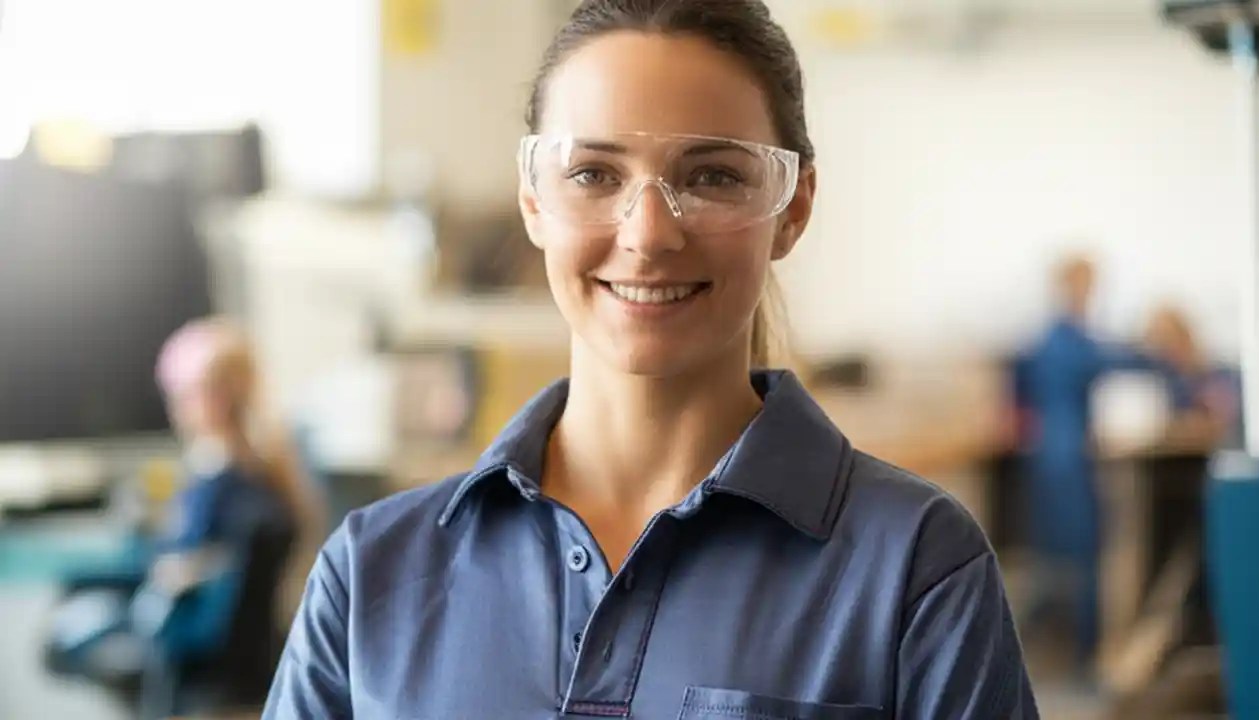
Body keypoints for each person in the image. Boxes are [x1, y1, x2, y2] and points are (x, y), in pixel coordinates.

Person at [266, 2, 1037, 717]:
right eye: (594, 174)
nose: (648, 233)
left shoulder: (914, 569)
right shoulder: (371, 576)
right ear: (535, 200)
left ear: (794, 208)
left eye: (712, 176)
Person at [47, 317, 307, 708]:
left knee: (72, 623)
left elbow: (185, 567)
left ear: (214, 398)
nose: (175, 409)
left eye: (182, 395)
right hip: (253, 665)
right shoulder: (268, 477)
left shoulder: (222, 484)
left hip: (202, 662)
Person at [1014, 255, 1151, 675]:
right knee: (1082, 559)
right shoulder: (1068, 342)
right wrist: (1157, 350)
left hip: (1048, 458)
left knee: (1053, 560)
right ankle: (1084, 662)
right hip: (1067, 459)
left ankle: (1059, 653)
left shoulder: (1047, 342)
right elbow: (1117, 359)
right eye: (1087, 285)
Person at [1143, 304, 1243, 450]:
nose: (1164, 351)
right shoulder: (1172, 385)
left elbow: (1221, 424)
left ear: (1186, 336)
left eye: (1167, 340)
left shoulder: (1223, 377)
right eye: (1158, 345)